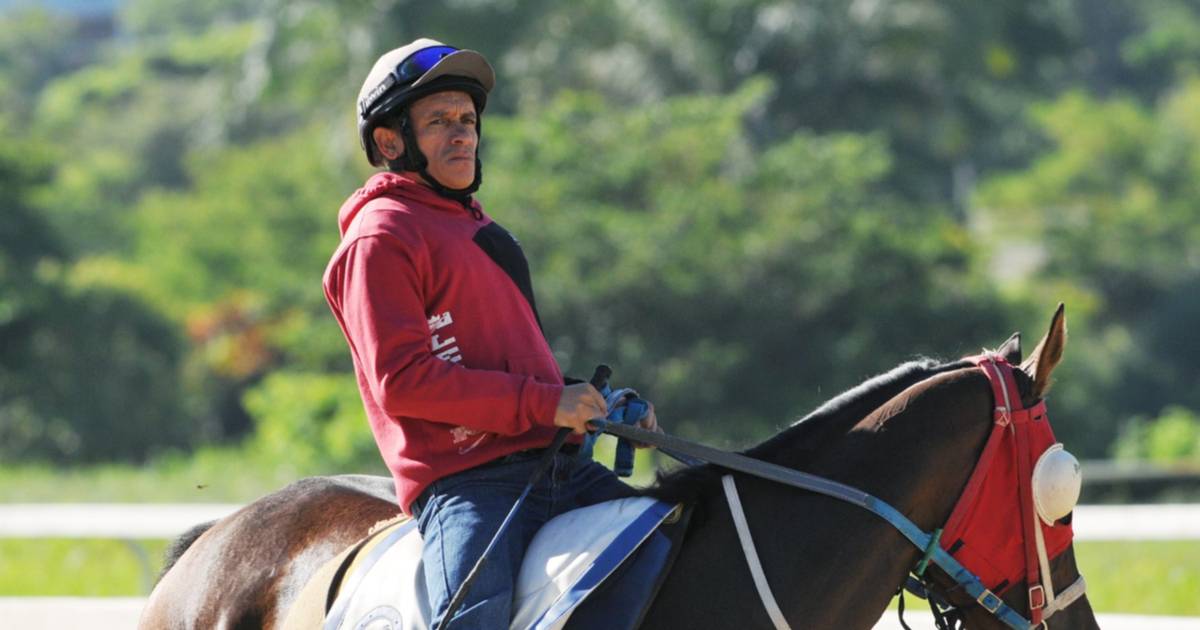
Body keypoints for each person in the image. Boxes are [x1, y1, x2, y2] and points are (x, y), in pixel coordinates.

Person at [322, 38, 660, 628]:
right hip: (471, 488)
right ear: (389, 140)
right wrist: (546, 403)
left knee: (677, 551)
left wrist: (595, 405)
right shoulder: (382, 237)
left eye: (467, 120)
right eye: (438, 121)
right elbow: (401, 382)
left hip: (561, 469)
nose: (462, 134)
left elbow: (520, 373)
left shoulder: (484, 232)